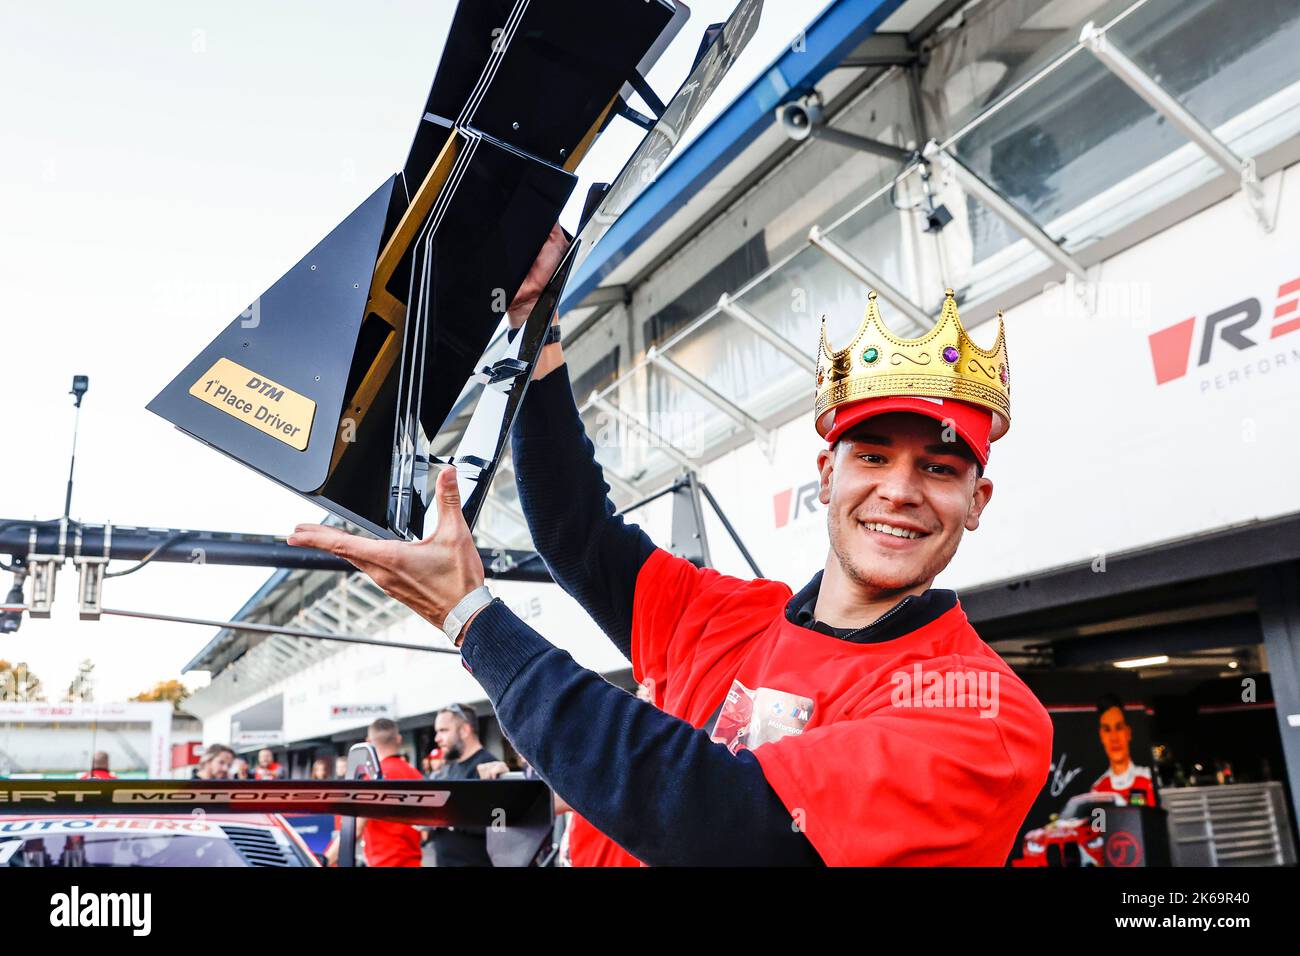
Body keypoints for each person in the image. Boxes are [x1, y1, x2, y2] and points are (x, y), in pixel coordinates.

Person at [289, 228, 1053, 865]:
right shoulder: (731, 617)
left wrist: (473, 620)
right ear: (828, 477)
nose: (900, 490)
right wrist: (532, 327)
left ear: (976, 502)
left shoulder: (984, 715)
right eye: (874, 457)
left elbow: (725, 824)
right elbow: (578, 535)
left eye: (940, 468)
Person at [324, 718, 423, 867]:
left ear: (369, 742)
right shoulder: (415, 774)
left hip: (383, 863)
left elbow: (355, 829)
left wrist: (324, 861)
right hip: (413, 862)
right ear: (399, 739)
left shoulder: (374, 777)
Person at [426, 704, 500, 867]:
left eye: (443, 730)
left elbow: (499, 824)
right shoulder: (449, 768)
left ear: (465, 730)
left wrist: (447, 817)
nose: (437, 739)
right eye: (437, 731)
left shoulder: (488, 767)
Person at [1092, 694, 1157, 806]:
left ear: (1128, 732)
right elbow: (1098, 818)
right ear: (1101, 736)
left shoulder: (1149, 778)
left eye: (1119, 727)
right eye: (1107, 729)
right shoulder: (1098, 790)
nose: (1114, 738)